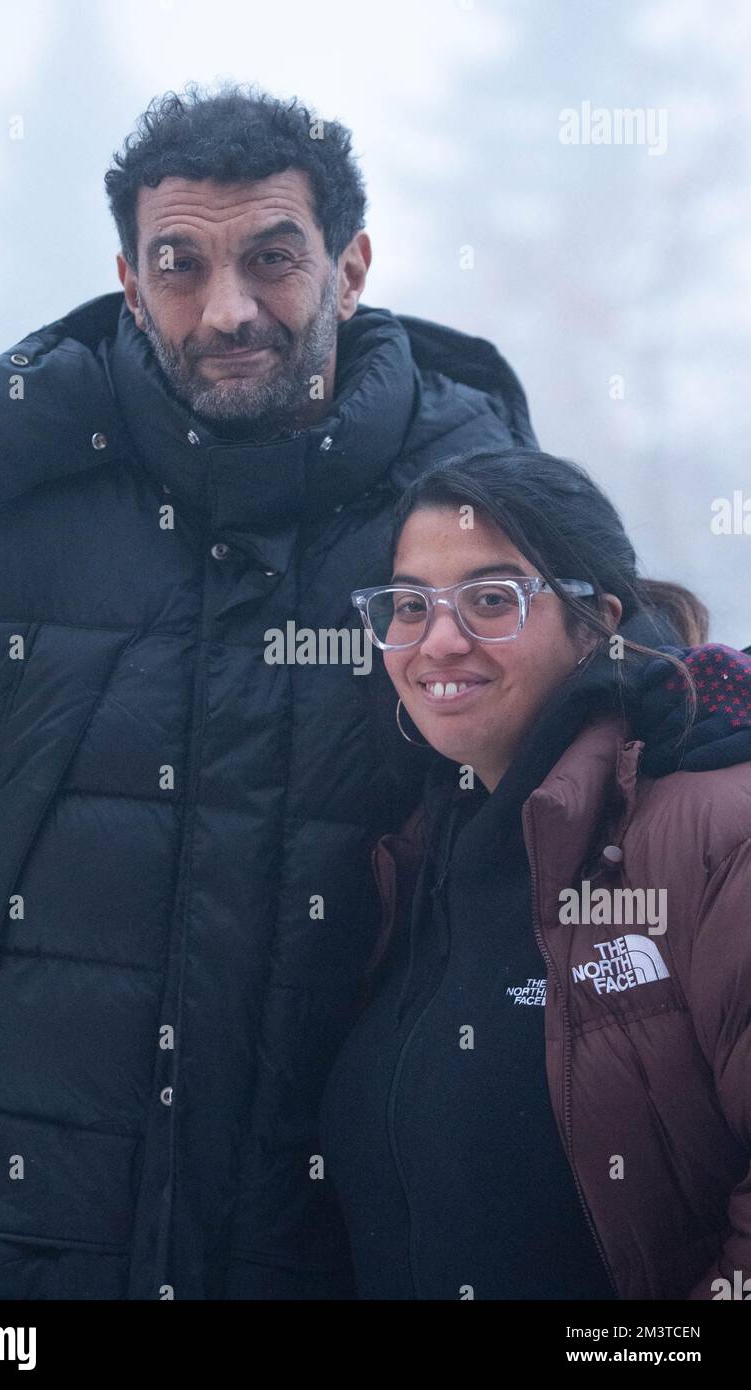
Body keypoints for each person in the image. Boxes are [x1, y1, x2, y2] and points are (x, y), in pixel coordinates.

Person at [0, 85, 736, 1303]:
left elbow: (625, 718)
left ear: (349, 266)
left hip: (325, 1242)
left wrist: (711, 709)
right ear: (129, 281)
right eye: (178, 263)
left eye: (272, 258)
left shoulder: (458, 503)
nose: (227, 307)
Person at [319, 447, 751, 1301]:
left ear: (596, 623)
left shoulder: (713, 833)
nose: (439, 641)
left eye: (492, 599)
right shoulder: (409, 863)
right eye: (408, 606)